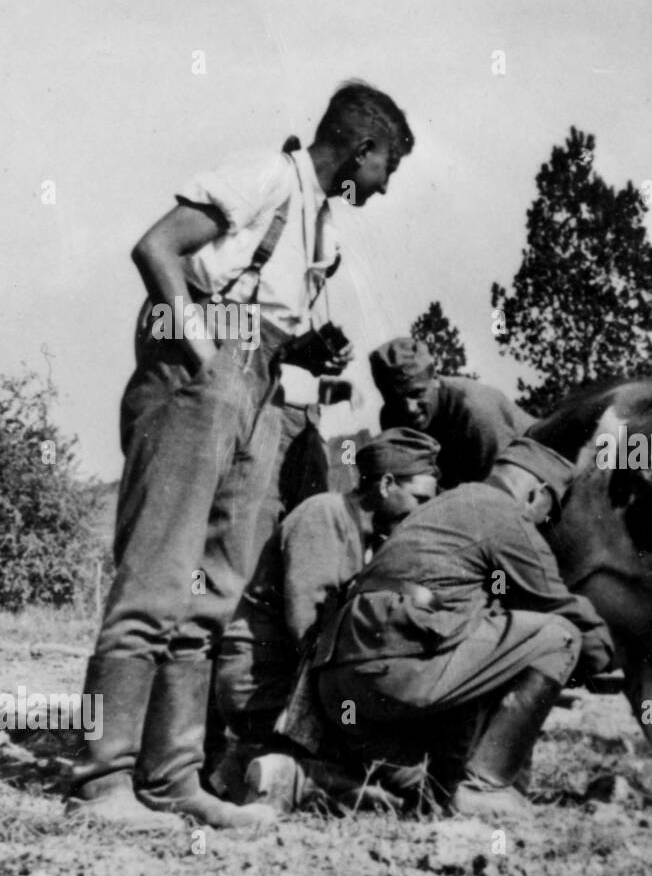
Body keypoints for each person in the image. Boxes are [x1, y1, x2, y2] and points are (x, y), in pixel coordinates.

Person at [69, 81, 413, 830]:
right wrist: (201, 348)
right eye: (388, 167)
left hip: (258, 385)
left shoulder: (320, 224)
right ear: (363, 148)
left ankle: (171, 780)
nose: (384, 187)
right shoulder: (266, 176)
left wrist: (295, 350)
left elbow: (265, 311)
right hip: (201, 375)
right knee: (156, 579)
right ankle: (102, 781)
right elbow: (158, 248)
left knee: (210, 593)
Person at [307, 436, 614, 818]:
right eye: (550, 512)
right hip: (396, 676)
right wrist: (601, 657)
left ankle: (443, 788)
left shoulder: (441, 507)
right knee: (558, 636)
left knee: (487, 643)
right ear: (536, 495)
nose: (545, 523)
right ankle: (484, 787)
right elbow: (554, 602)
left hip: (343, 692)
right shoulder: (502, 512)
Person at [210, 428, 440, 799]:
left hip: (294, 681)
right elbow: (310, 632)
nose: (422, 513)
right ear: (386, 484)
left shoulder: (364, 535)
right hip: (264, 685)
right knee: (392, 770)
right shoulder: (325, 516)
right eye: (418, 499)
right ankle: (291, 774)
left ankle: (278, 771)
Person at [369, 338, 534, 489]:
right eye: (395, 401)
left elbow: (505, 489)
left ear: (434, 379)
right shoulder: (392, 418)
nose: (409, 409)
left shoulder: (475, 411)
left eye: (416, 393)